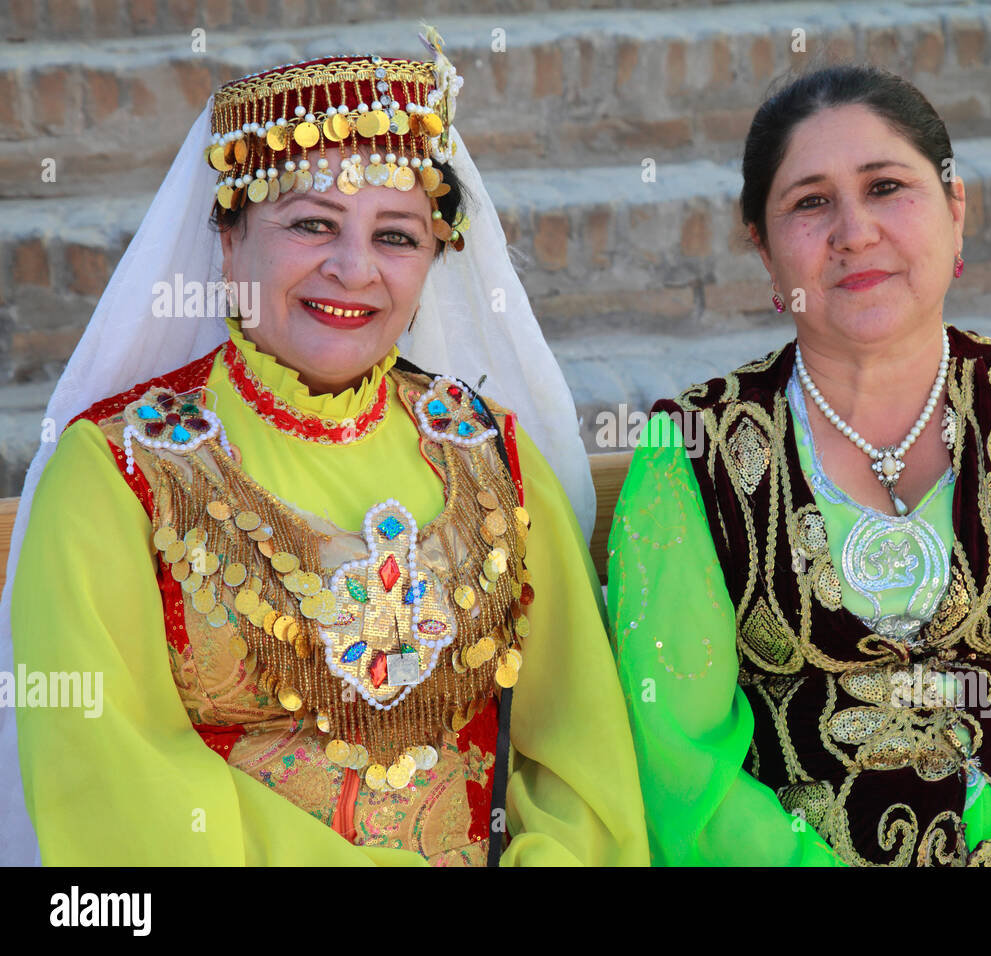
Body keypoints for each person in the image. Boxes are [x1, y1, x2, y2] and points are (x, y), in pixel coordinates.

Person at [1, 26, 648, 866]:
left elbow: (582, 753)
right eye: (313, 223)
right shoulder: (118, 473)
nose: (354, 269)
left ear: (433, 260)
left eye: (396, 236)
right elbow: (118, 789)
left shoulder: (491, 455)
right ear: (229, 241)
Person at [607, 65, 991, 866]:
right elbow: (680, 761)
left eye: (886, 187)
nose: (854, 232)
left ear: (955, 211)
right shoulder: (691, 456)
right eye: (810, 202)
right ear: (763, 250)